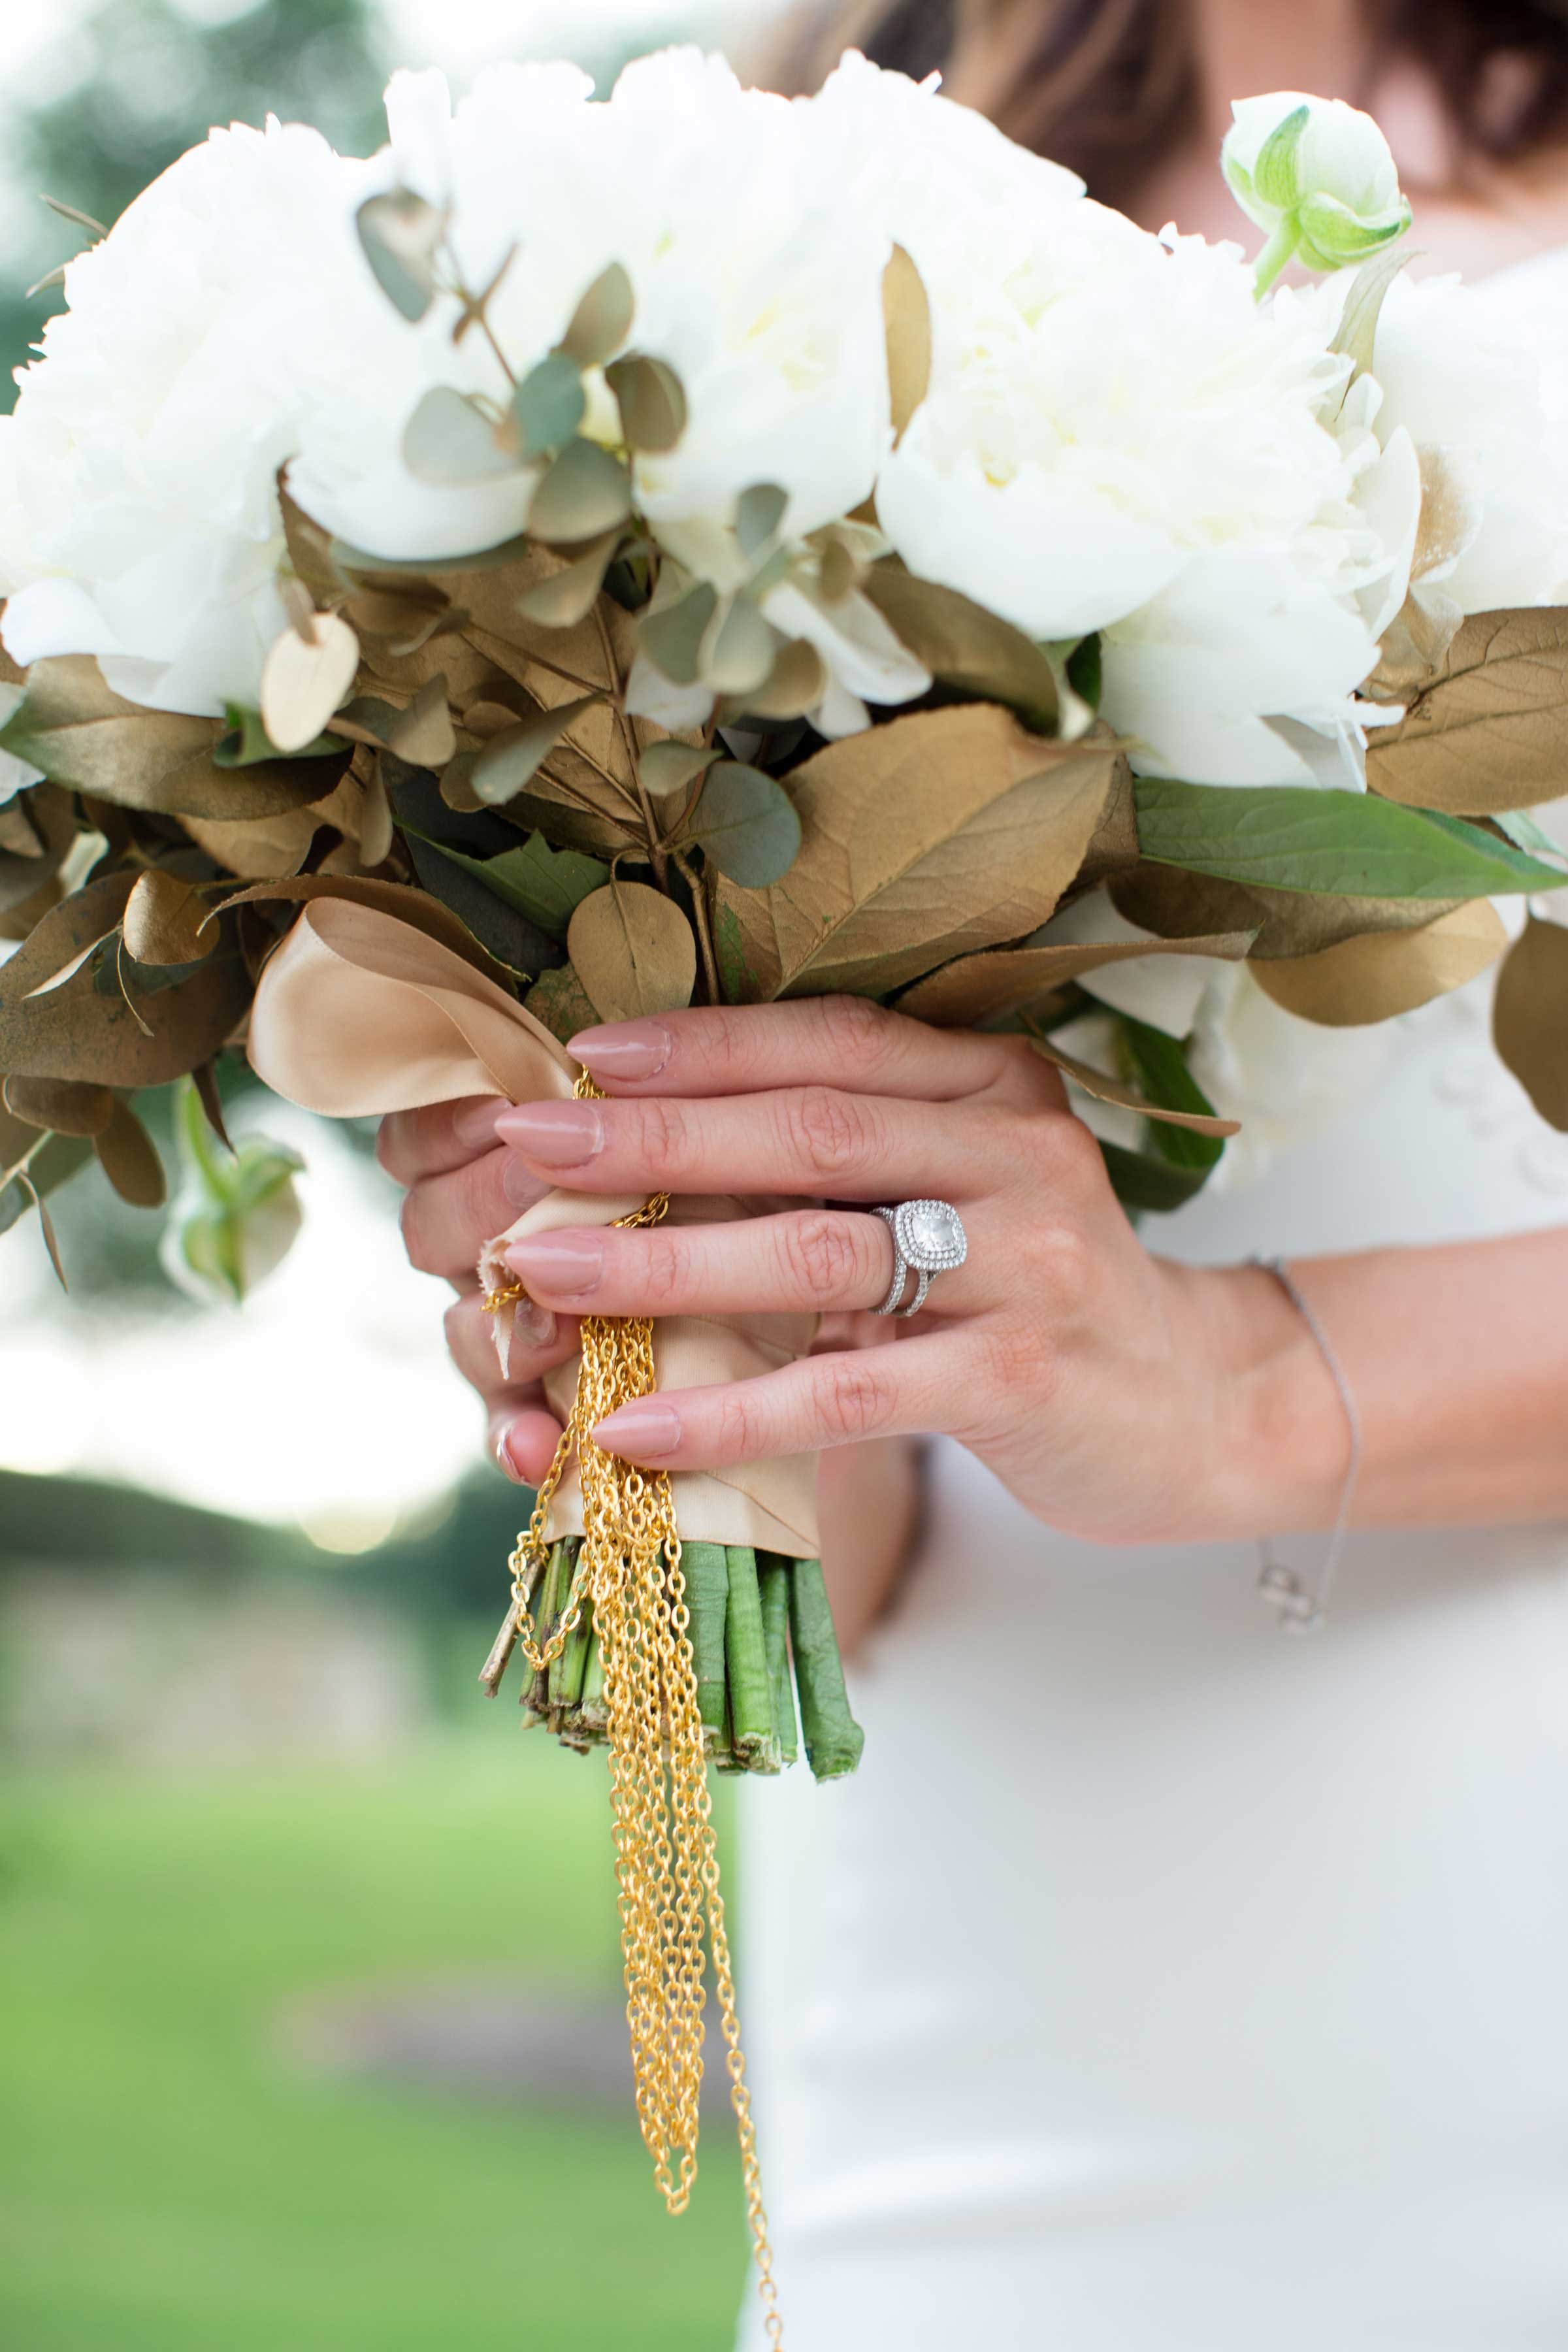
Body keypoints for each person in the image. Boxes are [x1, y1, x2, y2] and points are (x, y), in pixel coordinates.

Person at [376, 4, 1568, 2342]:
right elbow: (883, 1531)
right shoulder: (761, 213)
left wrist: (1223, 1378)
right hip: (994, 2014)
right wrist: (675, 1268)